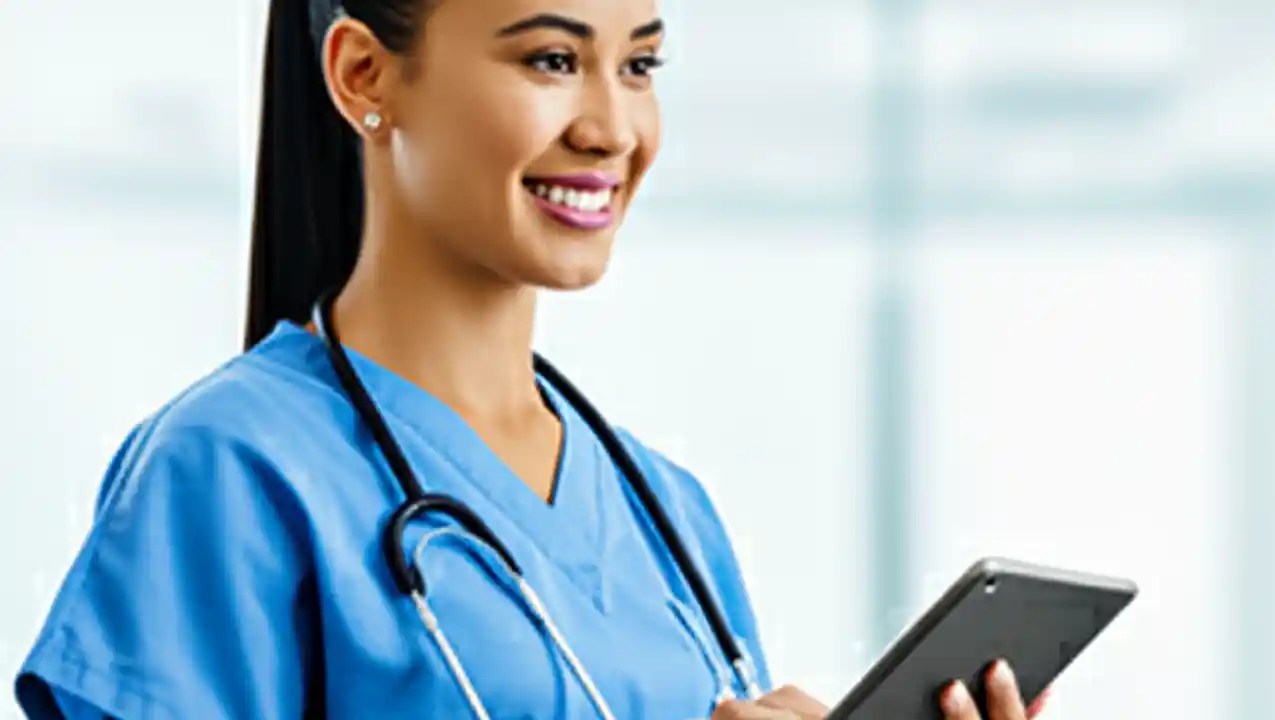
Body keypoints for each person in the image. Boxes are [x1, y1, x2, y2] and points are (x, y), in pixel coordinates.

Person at [13, 0, 1051, 718]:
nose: (610, 128)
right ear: (363, 75)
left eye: (639, 64)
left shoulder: (664, 514)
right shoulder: (231, 471)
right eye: (550, 60)